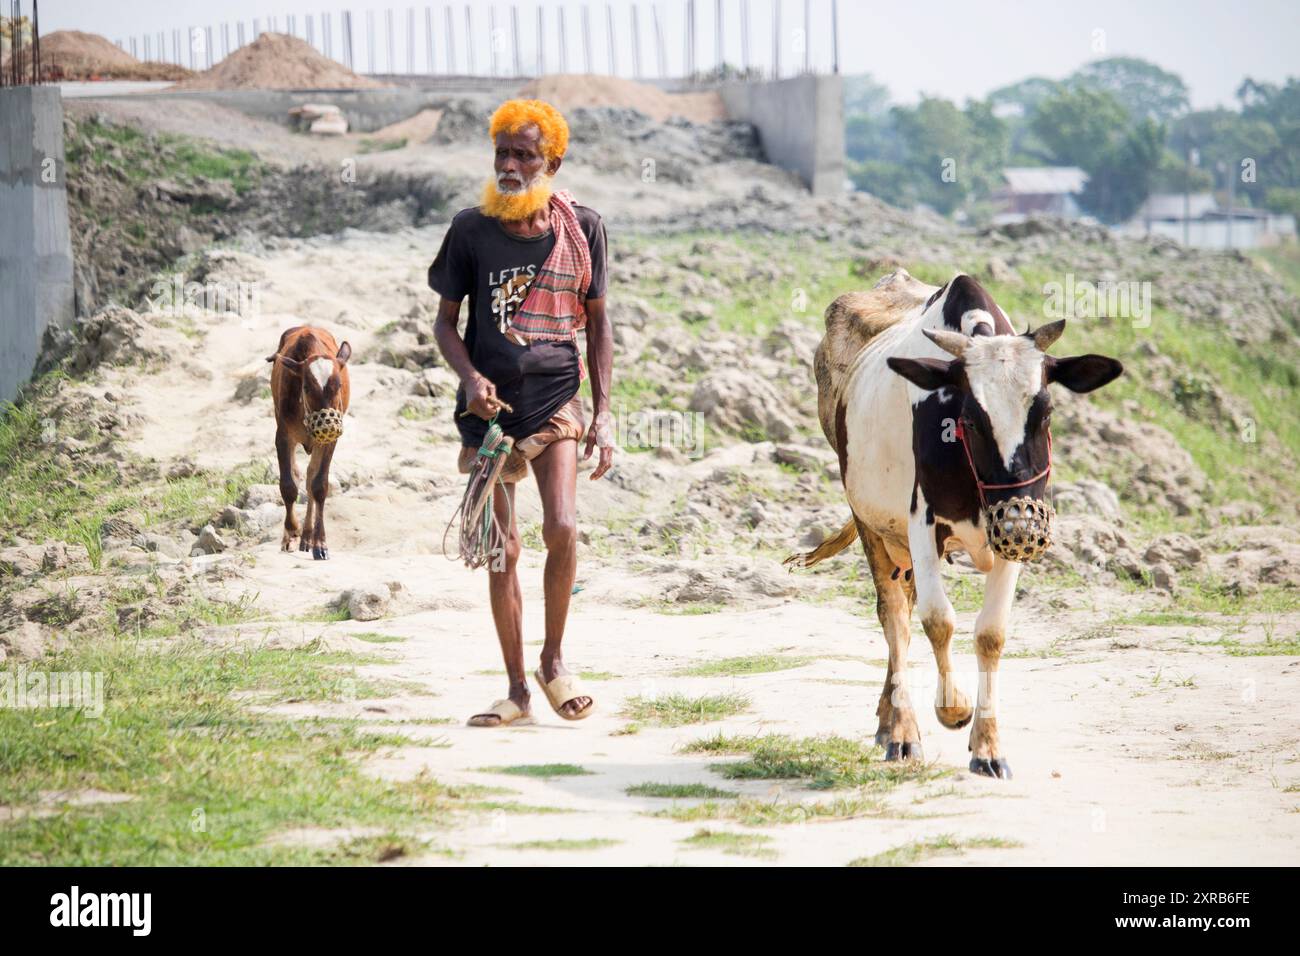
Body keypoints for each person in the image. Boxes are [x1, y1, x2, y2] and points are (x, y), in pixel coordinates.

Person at [429, 98, 614, 727]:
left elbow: (598, 325)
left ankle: (554, 661)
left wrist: (605, 412)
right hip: (489, 417)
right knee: (502, 549)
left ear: (552, 162)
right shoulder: (469, 229)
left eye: (524, 154)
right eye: (502, 152)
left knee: (562, 528)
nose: (509, 164)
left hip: (558, 402)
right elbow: (445, 324)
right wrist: (471, 377)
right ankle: (516, 692)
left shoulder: (583, 228)